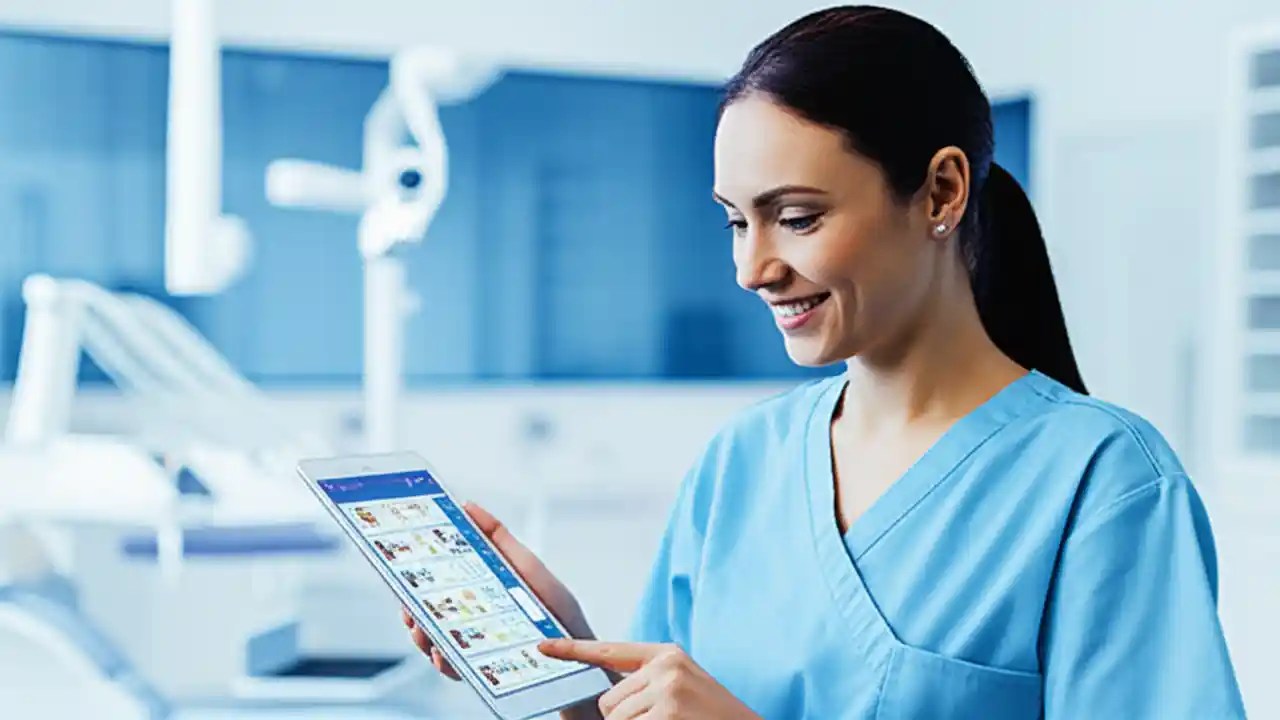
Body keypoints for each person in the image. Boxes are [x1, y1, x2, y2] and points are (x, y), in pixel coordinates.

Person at [403, 5, 1246, 718]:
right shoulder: (740, 464)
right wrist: (571, 665)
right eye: (737, 221)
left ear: (942, 193)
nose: (751, 268)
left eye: (798, 218)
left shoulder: (1102, 482)